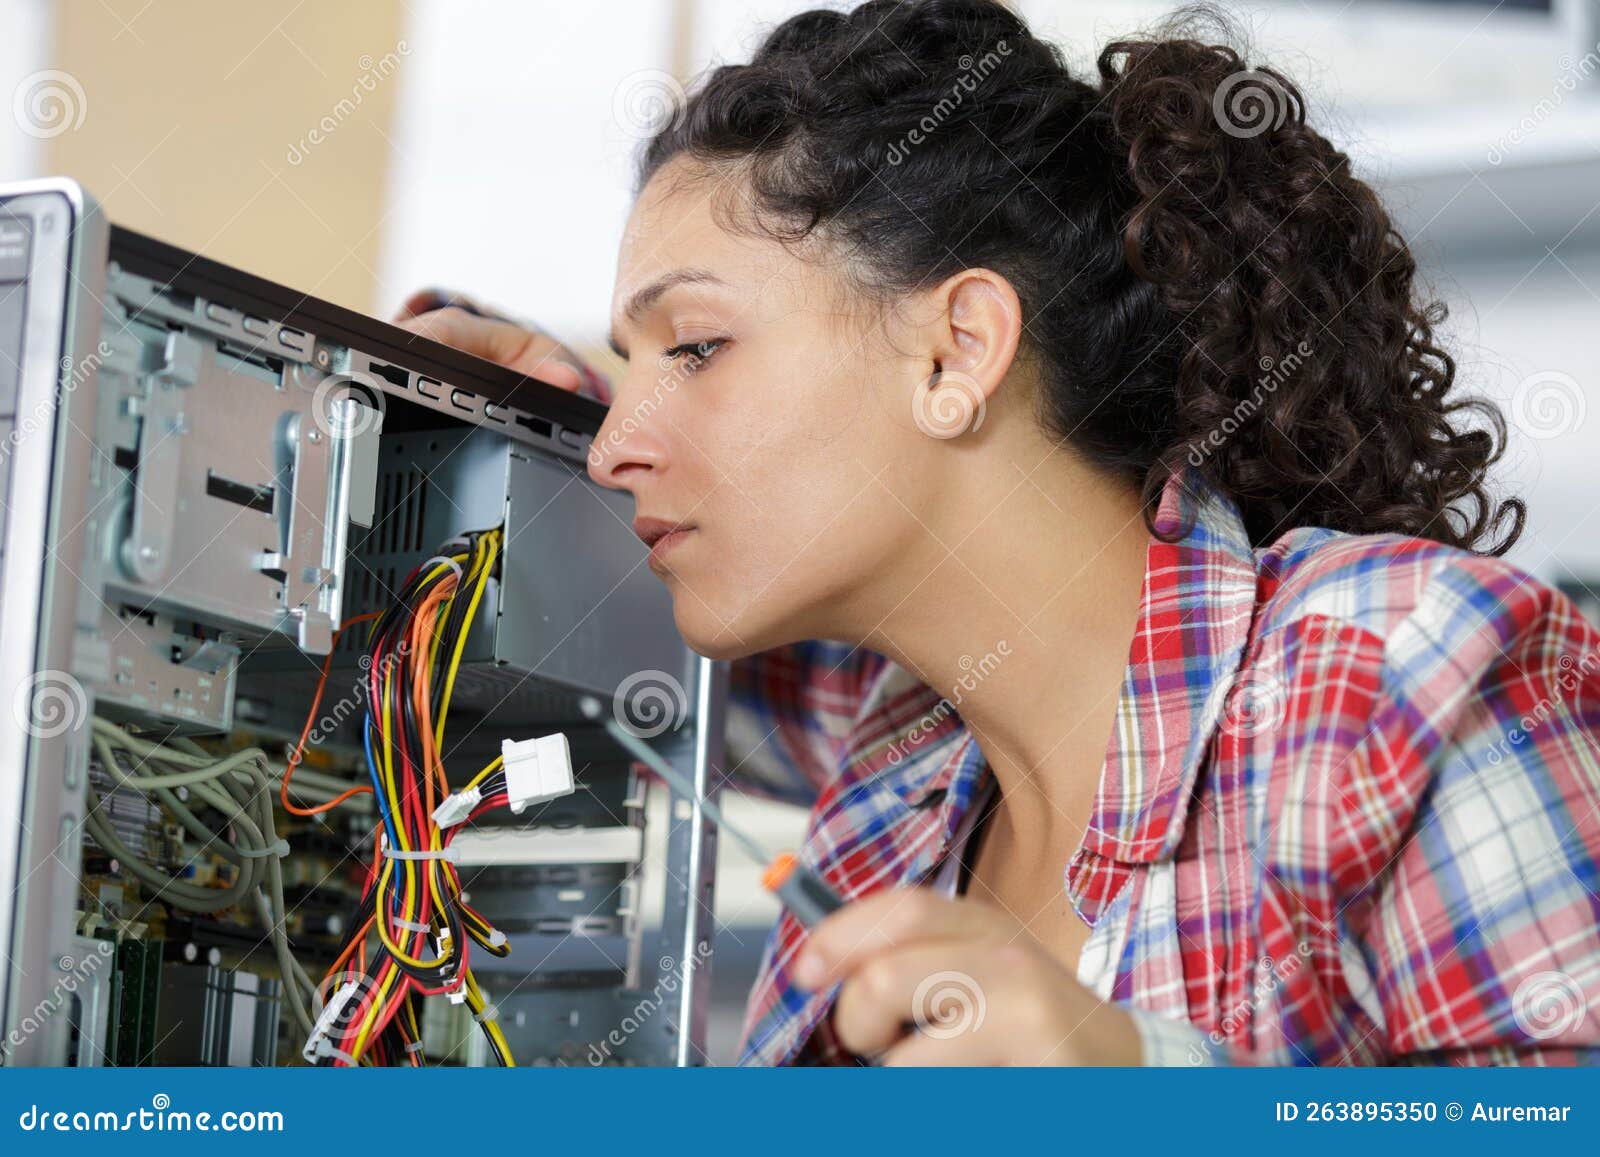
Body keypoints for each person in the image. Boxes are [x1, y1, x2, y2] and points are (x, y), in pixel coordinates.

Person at [394, 0, 1600, 1066]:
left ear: (954, 348)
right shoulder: (902, 755)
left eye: (696, 346)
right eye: (633, 371)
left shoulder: (1399, 670)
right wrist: (520, 421)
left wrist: (1143, 1081)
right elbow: (614, 624)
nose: (615, 451)